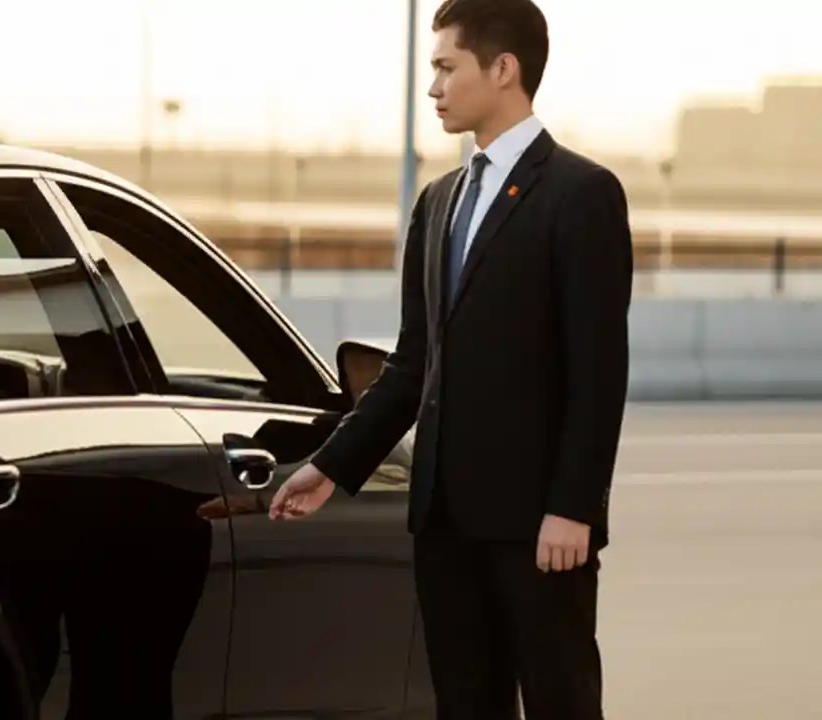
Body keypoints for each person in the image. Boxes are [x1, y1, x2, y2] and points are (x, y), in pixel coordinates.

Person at [268, 0, 633, 717]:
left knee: (561, 702)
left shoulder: (581, 194)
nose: (432, 88)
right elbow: (411, 368)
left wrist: (573, 508)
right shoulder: (438, 202)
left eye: (445, 67)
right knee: (465, 705)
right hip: (443, 523)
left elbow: (600, 372)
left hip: (539, 527)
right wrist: (329, 466)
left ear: (503, 70)